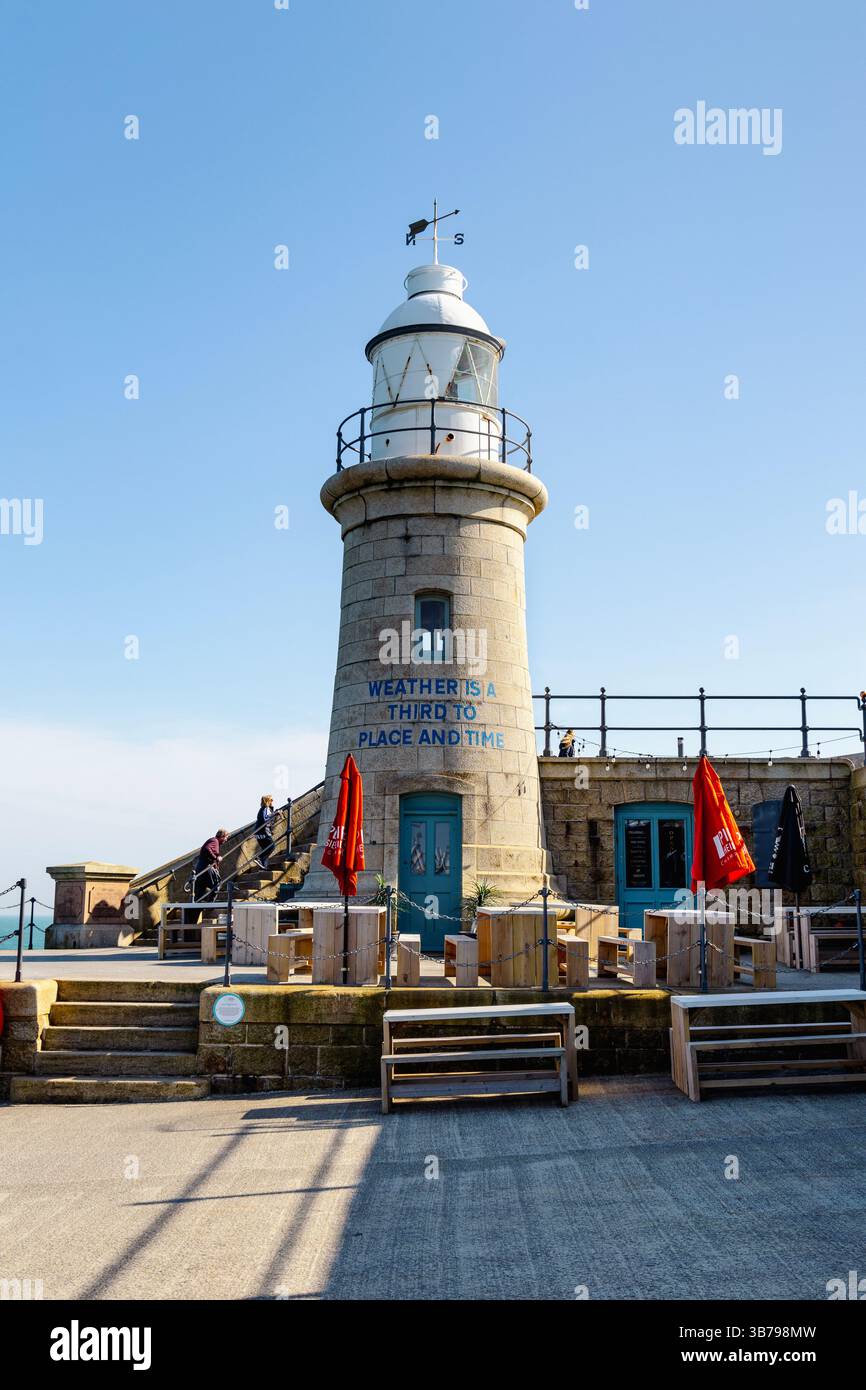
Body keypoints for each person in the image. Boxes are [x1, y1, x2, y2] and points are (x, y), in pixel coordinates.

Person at [193, 828, 228, 903]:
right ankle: (210, 904)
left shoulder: (213, 841)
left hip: (200, 868)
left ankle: (194, 910)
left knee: (200, 891)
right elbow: (206, 849)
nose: (226, 840)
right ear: (222, 836)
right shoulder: (214, 841)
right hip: (206, 867)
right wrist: (216, 858)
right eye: (226, 837)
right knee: (217, 884)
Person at [255, 794, 276, 869]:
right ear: (268, 801)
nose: (272, 801)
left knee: (265, 848)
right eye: (271, 800)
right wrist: (276, 813)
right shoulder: (266, 808)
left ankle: (263, 866)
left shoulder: (262, 809)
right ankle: (258, 857)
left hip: (258, 832)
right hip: (263, 831)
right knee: (272, 846)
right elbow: (266, 819)